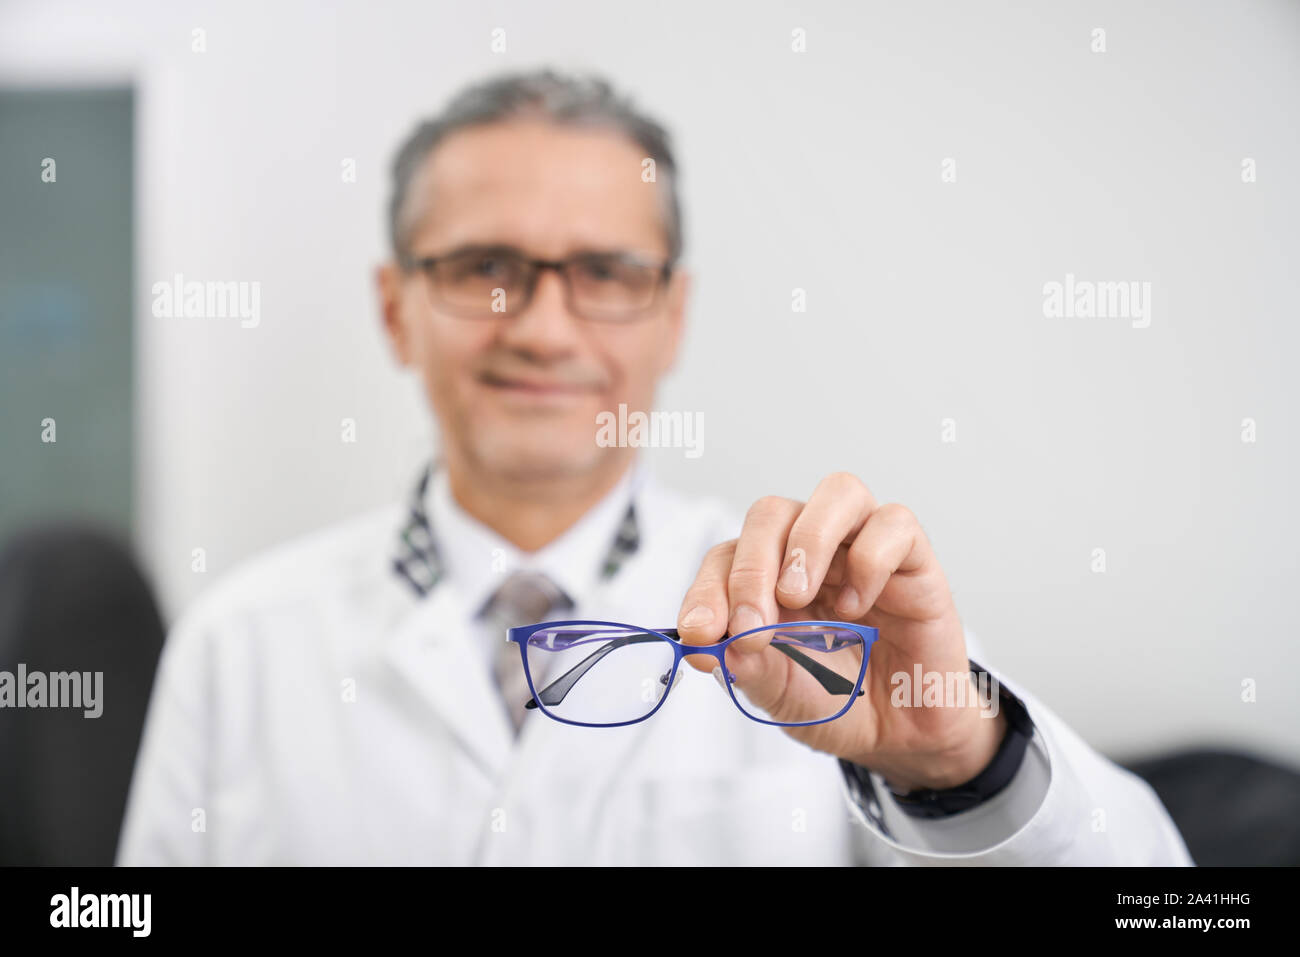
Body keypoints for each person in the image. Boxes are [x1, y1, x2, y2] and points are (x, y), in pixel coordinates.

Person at [118, 68, 1192, 865]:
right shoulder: (237, 645)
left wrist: (959, 766)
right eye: (487, 269)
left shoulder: (824, 619)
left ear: (670, 316)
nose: (543, 329)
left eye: (605, 272)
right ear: (397, 309)